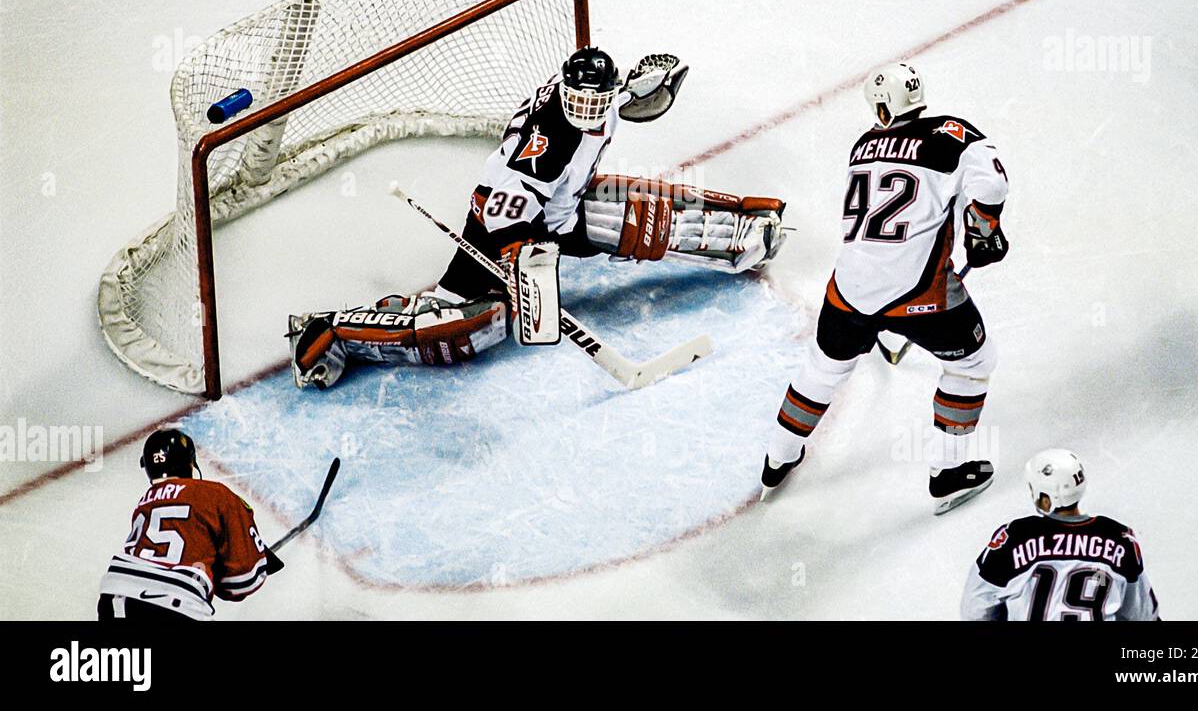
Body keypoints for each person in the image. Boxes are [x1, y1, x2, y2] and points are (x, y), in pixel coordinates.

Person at [290, 48, 787, 389]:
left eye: (600, 100)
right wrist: (520, 258)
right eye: (580, 102)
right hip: (499, 230)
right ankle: (332, 332)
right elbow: (493, 207)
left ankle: (742, 229)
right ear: (566, 95)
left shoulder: (596, 95)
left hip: (557, 208)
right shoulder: (544, 149)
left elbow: (628, 100)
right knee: (470, 327)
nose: (590, 110)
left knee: (632, 215)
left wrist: (644, 88)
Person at [760, 62, 1009, 513]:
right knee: (974, 362)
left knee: (821, 369)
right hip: (921, 298)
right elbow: (991, 181)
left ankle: (777, 458)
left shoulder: (864, 144)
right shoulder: (952, 136)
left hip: (848, 292)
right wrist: (984, 227)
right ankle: (949, 472)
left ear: (881, 107)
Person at [98, 429, 279, 620]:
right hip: (175, 602)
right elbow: (242, 581)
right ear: (190, 464)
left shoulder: (146, 502)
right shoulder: (216, 494)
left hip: (114, 595)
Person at [961, 448, 1160, 620]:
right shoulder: (1120, 540)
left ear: (1047, 500)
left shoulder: (1014, 538)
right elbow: (1143, 615)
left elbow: (974, 608)